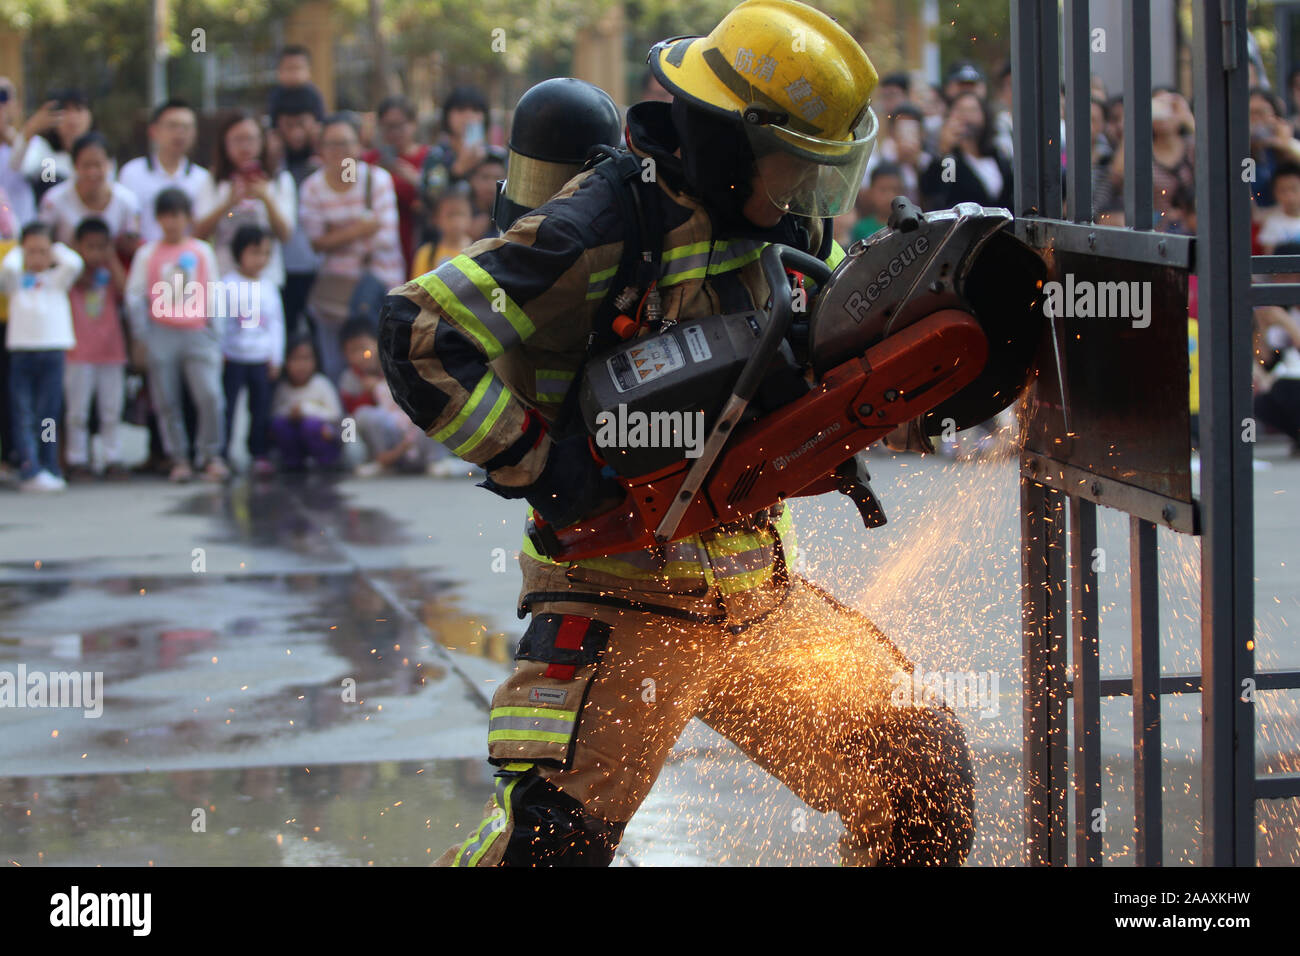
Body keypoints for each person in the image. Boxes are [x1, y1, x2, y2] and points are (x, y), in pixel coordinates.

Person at [379, 0, 974, 867]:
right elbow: (417, 333)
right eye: (793, 167)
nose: (810, 195)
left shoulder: (790, 222)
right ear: (732, 145)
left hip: (757, 593)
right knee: (551, 850)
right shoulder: (598, 229)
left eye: (823, 172)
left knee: (921, 783)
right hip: (618, 595)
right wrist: (550, 473)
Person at [125, 188, 227, 483]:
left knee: (209, 396)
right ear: (158, 219)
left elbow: (214, 290)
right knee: (166, 400)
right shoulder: (148, 253)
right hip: (162, 332)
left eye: (179, 216)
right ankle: (178, 457)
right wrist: (142, 335)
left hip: (197, 332)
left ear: (188, 218)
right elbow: (135, 295)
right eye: (167, 216)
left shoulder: (200, 251)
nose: (173, 222)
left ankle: (210, 454)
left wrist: (215, 331)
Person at [298, 114, 404, 382]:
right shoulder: (312, 188)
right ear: (320, 149)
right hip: (334, 297)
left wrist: (335, 233)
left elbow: (385, 239)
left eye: (346, 143)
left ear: (358, 146)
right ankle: (342, 423)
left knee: (381, 367)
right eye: (332, 144)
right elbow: (313, 244)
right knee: (336, 369)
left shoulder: (377, 180)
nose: (340, 151)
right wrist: (361, 227)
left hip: (379, 287)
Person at [2, 221, 83, 491]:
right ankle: (29, 466)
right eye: (31, 251)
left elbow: (74, 263)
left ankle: (49, 465)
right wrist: (19, 251)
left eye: (42, 251)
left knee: (48, 414)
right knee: (23, 412)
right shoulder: (17, 281)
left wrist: (54, 248)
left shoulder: (56, 280)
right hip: (23, 350)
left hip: (52, 349)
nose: (37, 257)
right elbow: (8, 270)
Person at [193, 110, 295, 292]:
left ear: (262, 141)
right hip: (224, 279)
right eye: (237, 140)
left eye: (251, 139)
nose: (245, 147)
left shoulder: (279, 180)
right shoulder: (214, 180)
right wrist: (228, 204)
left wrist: (266, 199)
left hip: (267, 281)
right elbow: (199, 234)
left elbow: (285, 234)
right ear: (224, 144)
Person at [336, 316, 446, 475]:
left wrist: (379, 387)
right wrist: (367, 395)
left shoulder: (395, 363)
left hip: (410, 425)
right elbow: (354, 415)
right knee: (357, 421)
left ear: (377, 342)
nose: (360, 356)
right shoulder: (349, 379)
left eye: (363, 349)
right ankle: (381, 460)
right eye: (352, 351)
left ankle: (435, 460)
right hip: (388, 431)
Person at [64, 217, 129, 480]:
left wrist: (111, 258)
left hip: (111, 351)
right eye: (89, 246)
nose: (95, 253)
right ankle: (76, 458)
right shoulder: (69, 276)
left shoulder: (109, 275)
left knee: (111, 409)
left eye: (101, 246)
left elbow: (126, 290)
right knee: (77, 410)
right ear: (77, 247)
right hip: (78, 353)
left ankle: (112, 456)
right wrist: (77, 262)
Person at [221, 224, 285, 476]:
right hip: (234, 356)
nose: (261, 259)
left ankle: (259, 451)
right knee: (228, 407)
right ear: (239, 253)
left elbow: (276, 323)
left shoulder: (269, 287)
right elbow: (221, 322)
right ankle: (222, 452)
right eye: (255, 252)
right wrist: (221, 351)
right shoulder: (226, 284)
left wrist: (276, 357)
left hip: (260, 357)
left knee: (260, 408)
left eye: (266, 253)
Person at [270, 85, 325, 339]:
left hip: (320, 265)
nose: (295, 132)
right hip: (281, 265)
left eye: (301, 123)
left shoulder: (328, 162)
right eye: (287, 125)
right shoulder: (271, 165)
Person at [118, 100, 213, 244]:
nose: (180, 133)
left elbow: (204, 230)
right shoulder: (131, 173)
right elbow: (125, 227)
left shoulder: (203, 178)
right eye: (172, 126)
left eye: (186, 127)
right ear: (153, 131)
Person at [39, 132, 141, 253]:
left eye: (98, 165)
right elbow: (42, 240)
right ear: (75, 165)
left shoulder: (127, 200)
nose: (92, 172)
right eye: (86, 165)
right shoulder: (54, 200)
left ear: (109, 164)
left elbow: (132, 244)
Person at [361, 95, 429, 270]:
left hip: (418, 240)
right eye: (387, 126)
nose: (393, 132)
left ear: (413, 124)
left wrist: (415, 180)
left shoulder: (428, 158)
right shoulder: (370, 160)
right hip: (380, 249)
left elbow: (441, 198)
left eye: (399, 126)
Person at [418, 85, 490, 245]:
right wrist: (458, 170)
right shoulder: (437, 156)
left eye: (476, 111)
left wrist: (488, 218)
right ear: (447, 116)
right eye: (460, 110)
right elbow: (429, 197)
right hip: (442, 244)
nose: (468, 117)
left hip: (486, 243)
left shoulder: (493, 156)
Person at [921, 92, 1013, 210]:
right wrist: (945, 151)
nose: (966, 117)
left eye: (972, 110)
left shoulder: (996, 155)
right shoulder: (951, 159)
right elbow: (940, 189)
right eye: (961, 110)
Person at [270, 335, 342, 471]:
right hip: (297, 438)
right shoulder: (283, 387)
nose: (301, 365)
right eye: (295, 359)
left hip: (322, 437)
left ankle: (326, 462)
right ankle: (293, 463)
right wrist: (291, 413)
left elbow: (336, 414)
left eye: (306, 359)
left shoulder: (321, 384)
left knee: (310, 426)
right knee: (279, 425)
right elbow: (275, 413)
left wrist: (306, 411)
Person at [8, 89, 94, 203]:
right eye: (65, 110)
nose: (72, 118)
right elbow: (16, 168)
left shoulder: (98, 152)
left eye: (78, 110)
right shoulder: (42, 148)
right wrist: (29, 131)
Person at [409, 185, 474, 278]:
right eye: (450, 215)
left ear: (470, 217)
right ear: (436, 219)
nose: (456, 221)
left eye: (461, 214)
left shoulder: (478, 253)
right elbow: (418, 288)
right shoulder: (426, 254)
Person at [0, 76, 37, 226]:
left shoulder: (33, 144)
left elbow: (42, 174)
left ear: (17, 106)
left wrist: (15, 140)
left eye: (3, 97)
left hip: (25, 241)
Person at [1259, 163, 1300, 252]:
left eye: (1294, 189)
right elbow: (1269, 257)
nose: (1289, 196)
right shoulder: (1272, 223)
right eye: (1283, 190)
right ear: (1275, 193)